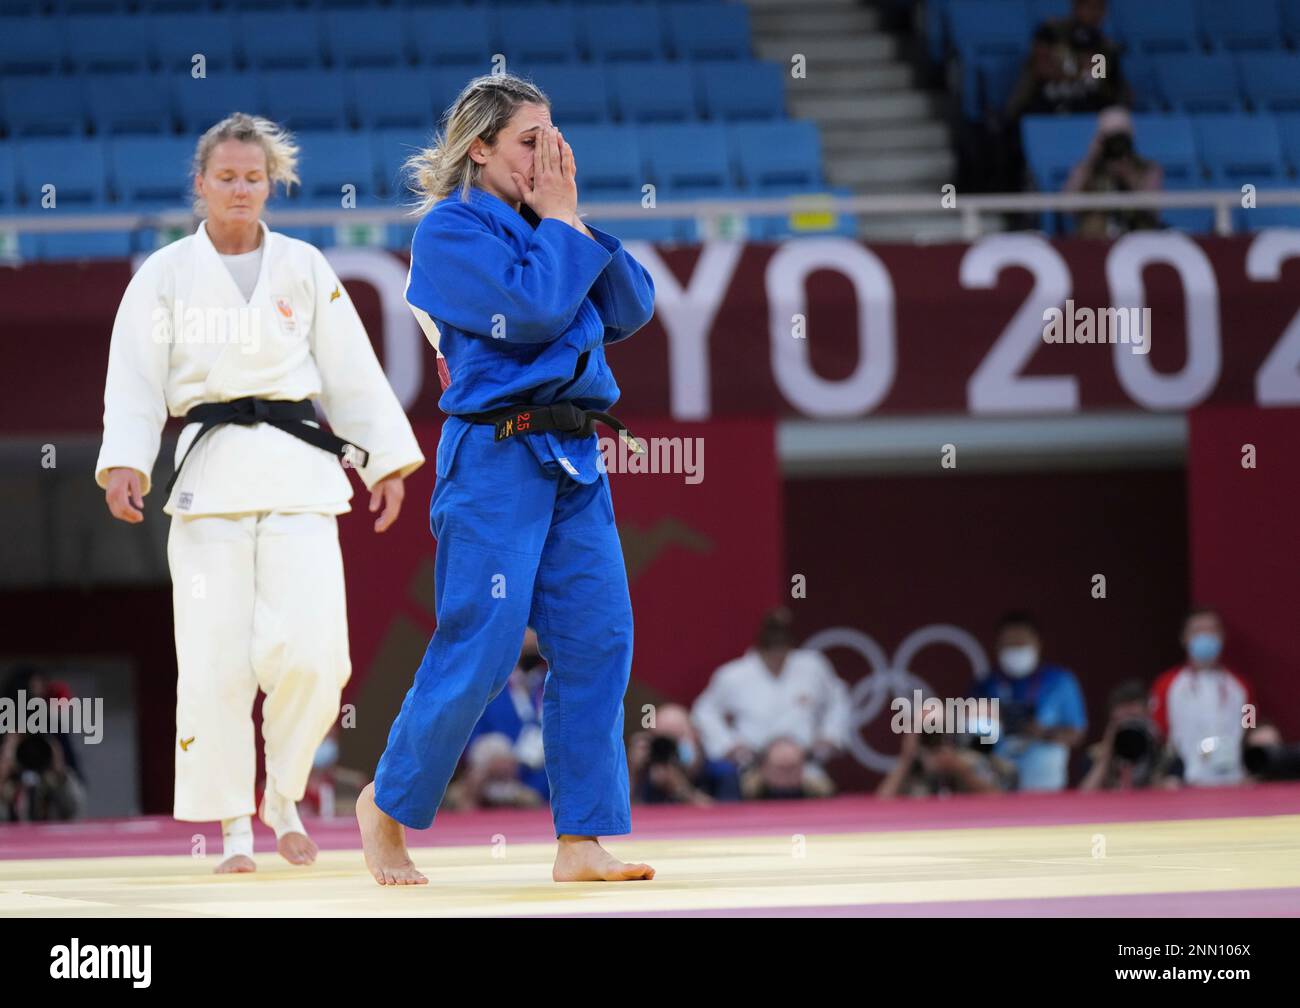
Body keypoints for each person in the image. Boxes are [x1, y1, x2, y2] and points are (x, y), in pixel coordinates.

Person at [96, 113, 424, 872]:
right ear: (201, 184)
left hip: (300, 475)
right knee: (214, 663)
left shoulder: (304, 266)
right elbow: (136, 380)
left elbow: (350, 373)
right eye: (227, 177)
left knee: (317, 657)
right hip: (209, 480)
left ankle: (286, 796)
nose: (241, 189)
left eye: (253, 178)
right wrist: (126, 461)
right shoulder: (165, 275)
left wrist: (382, 463)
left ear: (271, 185)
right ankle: (236, 828)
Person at [355, 74, 657, 885]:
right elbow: (528, 314)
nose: (545, 155)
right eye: (529, 141)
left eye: (553, 138)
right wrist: (558, 229)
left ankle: (582, 840)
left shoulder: (552, 222)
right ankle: (386, 803)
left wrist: (569, 214)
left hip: (574, 460)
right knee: (484, 645)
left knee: (599, 640)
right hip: (493, 456)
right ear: (478, 149)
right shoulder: (449, 233)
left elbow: (632, 308)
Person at [691, 607, 851, 785]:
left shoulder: (813, 666)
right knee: (747, 793)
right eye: (772, 647)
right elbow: (704, 710)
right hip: (753, 767)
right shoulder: (733, 674)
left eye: (782, 647)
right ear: (761, 644)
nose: (777, 654)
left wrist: (830, 736)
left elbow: (839, 700)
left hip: (805, 767)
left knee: (823, 795)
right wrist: (728, 745)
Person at [972, 611, 1087, 791]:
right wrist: (995, 725)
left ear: (1037, 644)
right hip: (996, 785)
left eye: (1021, 643)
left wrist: (1042, 732)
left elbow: (1077, 733)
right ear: (997, 647)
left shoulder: (1060, 681)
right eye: (1009, 645)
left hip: (1044, 782)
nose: (1015, 649)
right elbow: (967, 739)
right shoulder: (985, 685)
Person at [1150, 608, 1253, 787]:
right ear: (1184, 638)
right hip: (1186, 781)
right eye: (1197, 630)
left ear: (1222, 637)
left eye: (1211, 630)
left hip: (1234, 780)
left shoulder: (1240, 687)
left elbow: (1250, 727)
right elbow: (1157, 731)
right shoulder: (1166, 685)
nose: (1205, 636)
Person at [1063, 106, 1163, 238]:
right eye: (1111, 140)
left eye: (1121, 139)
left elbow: (1154, 210)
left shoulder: (1148, 168)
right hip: (1097, 239)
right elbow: (1067, 206)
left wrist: (1129, 176)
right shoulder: (1088, 168)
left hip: (1136, 235)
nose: (1116, 145)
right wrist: (1090, 160)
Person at [628, 704, 741, 805]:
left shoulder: (723, 773)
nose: (670, 748)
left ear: (696, 734)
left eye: (677, 737)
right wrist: (633, 774)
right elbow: (625, 818)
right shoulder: (649, 775)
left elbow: (728, 818)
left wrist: (681, 790)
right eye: (663, 741)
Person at [1079, 680, 1172, 791]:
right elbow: (1085, 794)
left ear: (1148, 718)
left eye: (1134, 719)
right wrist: (1107, 751)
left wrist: (1154, 746)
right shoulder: (1094, 755)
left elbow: (1174, 791)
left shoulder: (1167, 754)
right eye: (1123, 721)